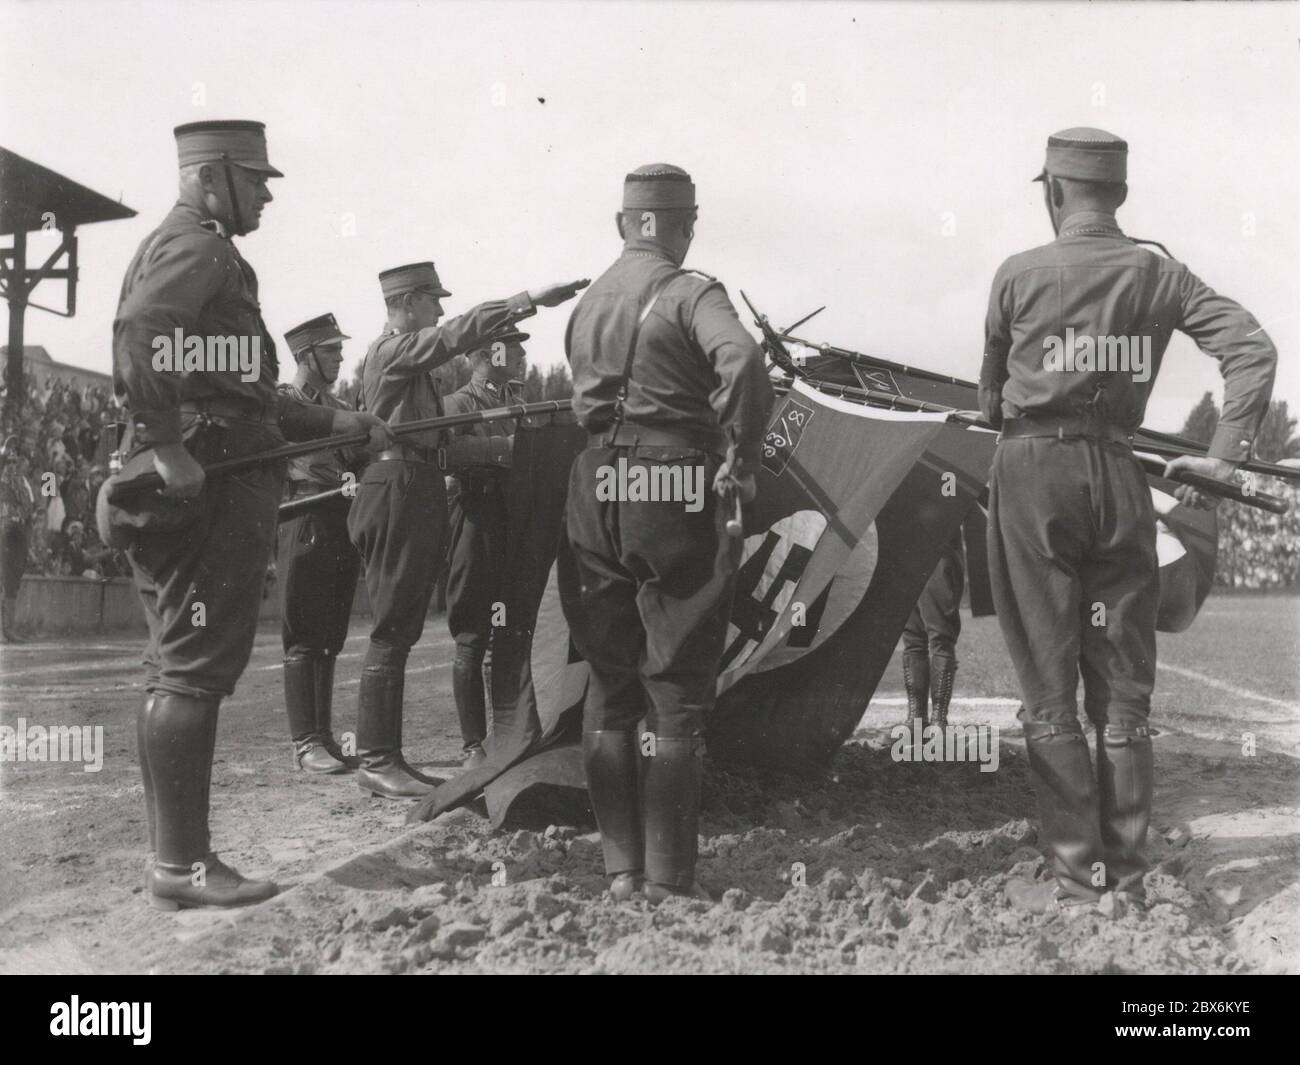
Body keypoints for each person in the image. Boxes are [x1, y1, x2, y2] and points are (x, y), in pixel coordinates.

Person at [979, 128, 1277, 912]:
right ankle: (1130, 880)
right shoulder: (1158, 272)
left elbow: (988, 400)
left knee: (1049, 692)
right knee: (1123, 692)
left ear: (1053, 191)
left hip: (1032, 475)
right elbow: (1252, 349)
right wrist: (1222, 457)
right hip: (1118, 473)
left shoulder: (1015, 273)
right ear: (1120, 194)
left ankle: (1081, 886)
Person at [112, 120, 394, 910]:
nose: (267, 194)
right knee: (191, 670)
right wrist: (168, 445)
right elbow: (140, 334)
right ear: (211, 177)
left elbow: (245, 396)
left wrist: (337, 421)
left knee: (174, 666)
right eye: (256, 179)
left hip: (209, 476)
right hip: (205, 490)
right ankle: (184, 865)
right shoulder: (200, 250)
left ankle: (175, 857)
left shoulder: (194, 248)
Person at [560, 164, 774, 903]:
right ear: (686, 225)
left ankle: (621, 871)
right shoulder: (691, 292)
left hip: (596, 483)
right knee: (676, 682)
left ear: (622, 225)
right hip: (672, 481)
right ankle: (670, 879)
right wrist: (741, 461)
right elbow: (742, 361)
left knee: (609, 677)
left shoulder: (588, 301)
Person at [349, 263, 587, 799]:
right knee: (391, 629)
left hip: (414, 482)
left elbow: (444, 441)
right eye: (432, 300)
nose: (439, 310)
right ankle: (377, 758)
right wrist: (527, 297)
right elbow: (454, 336)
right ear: (407, 303)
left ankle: (385, 756)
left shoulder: (411, 366)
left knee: (401, 627)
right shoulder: (390, 351)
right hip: (397, 482)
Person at [276, 313, 364, 774]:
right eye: (331, 350)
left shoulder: (339, 406)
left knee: (330, 635)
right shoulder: (284, 403)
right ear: (305, 355)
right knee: (303, 633)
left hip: (338, 517)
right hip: (302, 514)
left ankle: (324, 735)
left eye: (339, 349)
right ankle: (305, 742)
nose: (340, 357)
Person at [442, 331, 529, 768]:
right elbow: (448, 452)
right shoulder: (458, 404)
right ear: (486, 353)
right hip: (476, 523)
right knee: (472, 636)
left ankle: (507, 736)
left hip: (513, 524)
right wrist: (508, 450)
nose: (522, 353)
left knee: (508, 634)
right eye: (512, 346)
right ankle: (473, 745)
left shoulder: (520, 404)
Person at [900, 530, 964, 733]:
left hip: (938, 550)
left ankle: (939, 719)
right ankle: (916, 719)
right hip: (904, 553)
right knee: (912, 637)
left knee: (940, 635)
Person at [0, 435, 35, 641]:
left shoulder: (23, 482)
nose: (12, 465)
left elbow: (30, 508)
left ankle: (9, 628)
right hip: (4, 528)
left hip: (19, 531)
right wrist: (4, 450)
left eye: (15, 461)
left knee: (13, 580)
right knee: (4, 576)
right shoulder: (3, 480)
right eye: (9, 461)